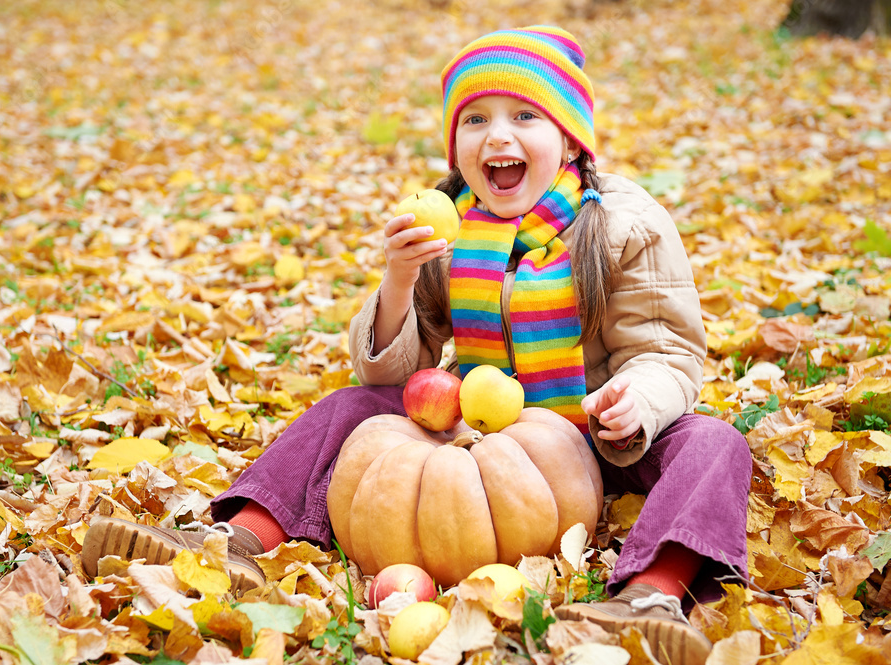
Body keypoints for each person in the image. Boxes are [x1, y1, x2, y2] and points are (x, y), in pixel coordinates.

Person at [82, 26, 751, 663]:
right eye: (476, 119)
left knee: (714, 443)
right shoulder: (449, 227)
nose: (498, 135)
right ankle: (238, 538)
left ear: (571, 142)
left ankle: (649, 596)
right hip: (484, 446)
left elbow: (667, 350)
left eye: (525, 117)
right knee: (353, 407)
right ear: (456, 146)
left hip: (602, 440)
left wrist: (639, 400)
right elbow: (401, 369)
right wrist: (400, 280)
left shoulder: (623, 226)